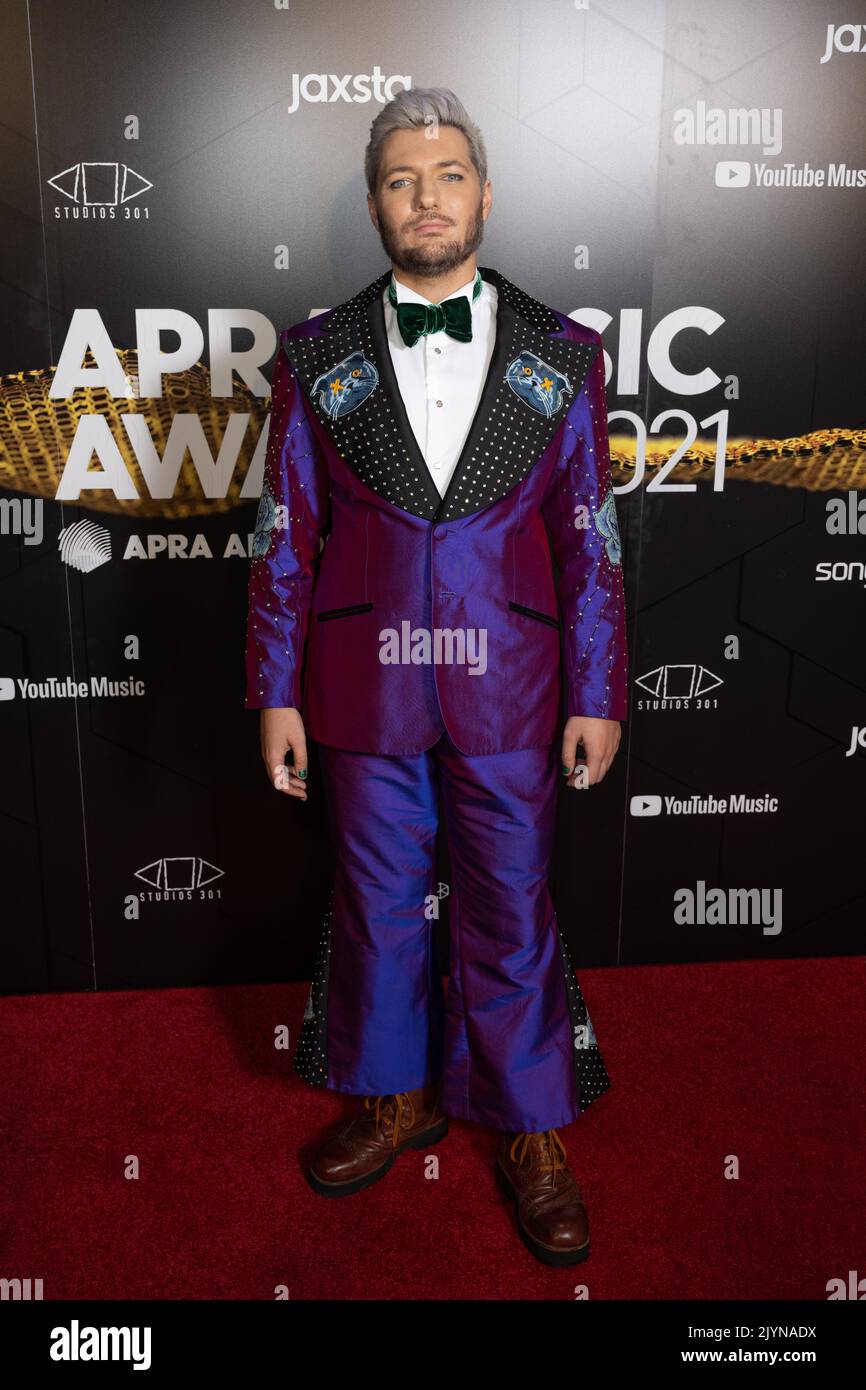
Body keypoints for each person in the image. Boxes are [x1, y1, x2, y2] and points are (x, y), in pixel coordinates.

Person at [245, 87, 628, 1267]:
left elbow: (591, 541)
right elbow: (283, 536)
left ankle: (528, 1127)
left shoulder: (562, 357)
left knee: (510, 911)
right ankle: (391, 1097)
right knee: (375, 909)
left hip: (513, 688)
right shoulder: (313, 359)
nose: (426, 198)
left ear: (484, 190)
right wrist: (274, 691)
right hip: (359, 690)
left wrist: (597, 691)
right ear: (374, 201)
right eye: (403, 179)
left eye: (447, 173)